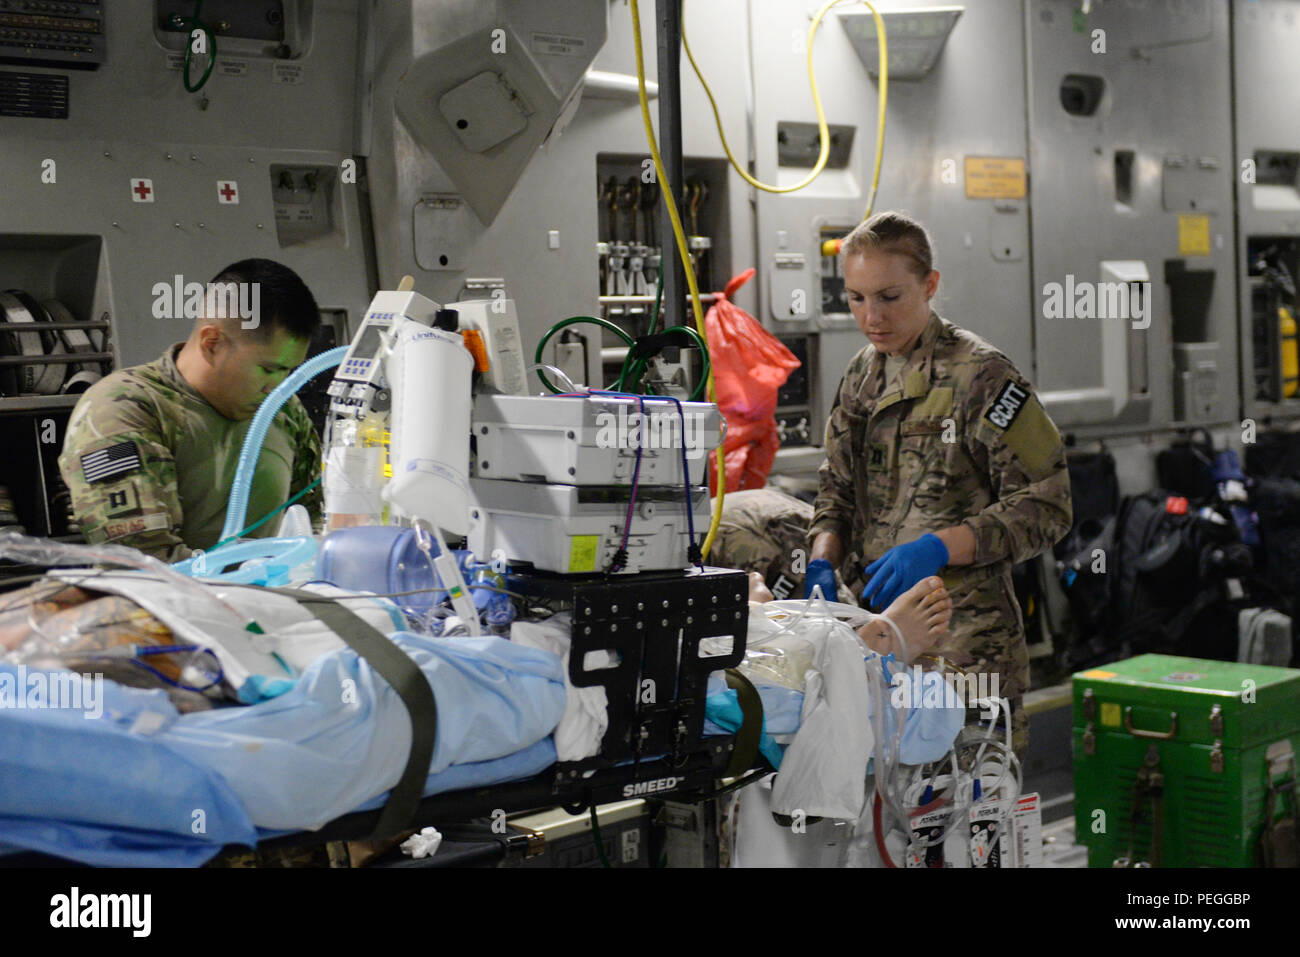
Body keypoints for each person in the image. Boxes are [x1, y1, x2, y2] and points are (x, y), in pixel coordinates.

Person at [808, 211, 1072, 755]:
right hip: (881, 640)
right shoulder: (861, 374)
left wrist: (938, 548)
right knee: (888, 825)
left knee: (972, 820)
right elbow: (835, 488)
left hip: (968, 654)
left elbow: (1049, 505)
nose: (871, 317)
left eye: (888, 297)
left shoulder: (981, 376)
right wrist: (821, 557)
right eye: (855, 298)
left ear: (930, 286)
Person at [58, 259, 324, 561]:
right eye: (268, 369)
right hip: (168, 604)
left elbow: (315, 521)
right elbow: (143, 559)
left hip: (263, 601)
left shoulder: (284, 410)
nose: (277, 386)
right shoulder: (126, 407)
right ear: (211, 343)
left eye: (290, 371)